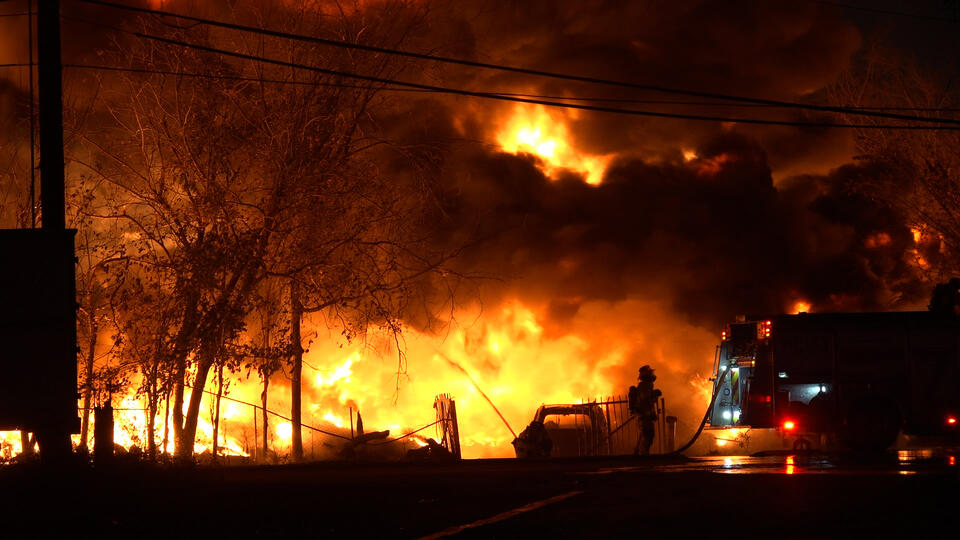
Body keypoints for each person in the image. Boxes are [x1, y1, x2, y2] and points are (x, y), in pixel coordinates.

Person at [629, 365, 662, 456]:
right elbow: (645, 401)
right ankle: (643, 456)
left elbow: (648, 401)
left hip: (645, 416)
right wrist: (654, 394)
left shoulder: (647, 385)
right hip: (644, 416)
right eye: (650, 372)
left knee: (646, 435)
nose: (652, 374)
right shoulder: (644, 386)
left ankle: (641, 454)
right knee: (648, 436)